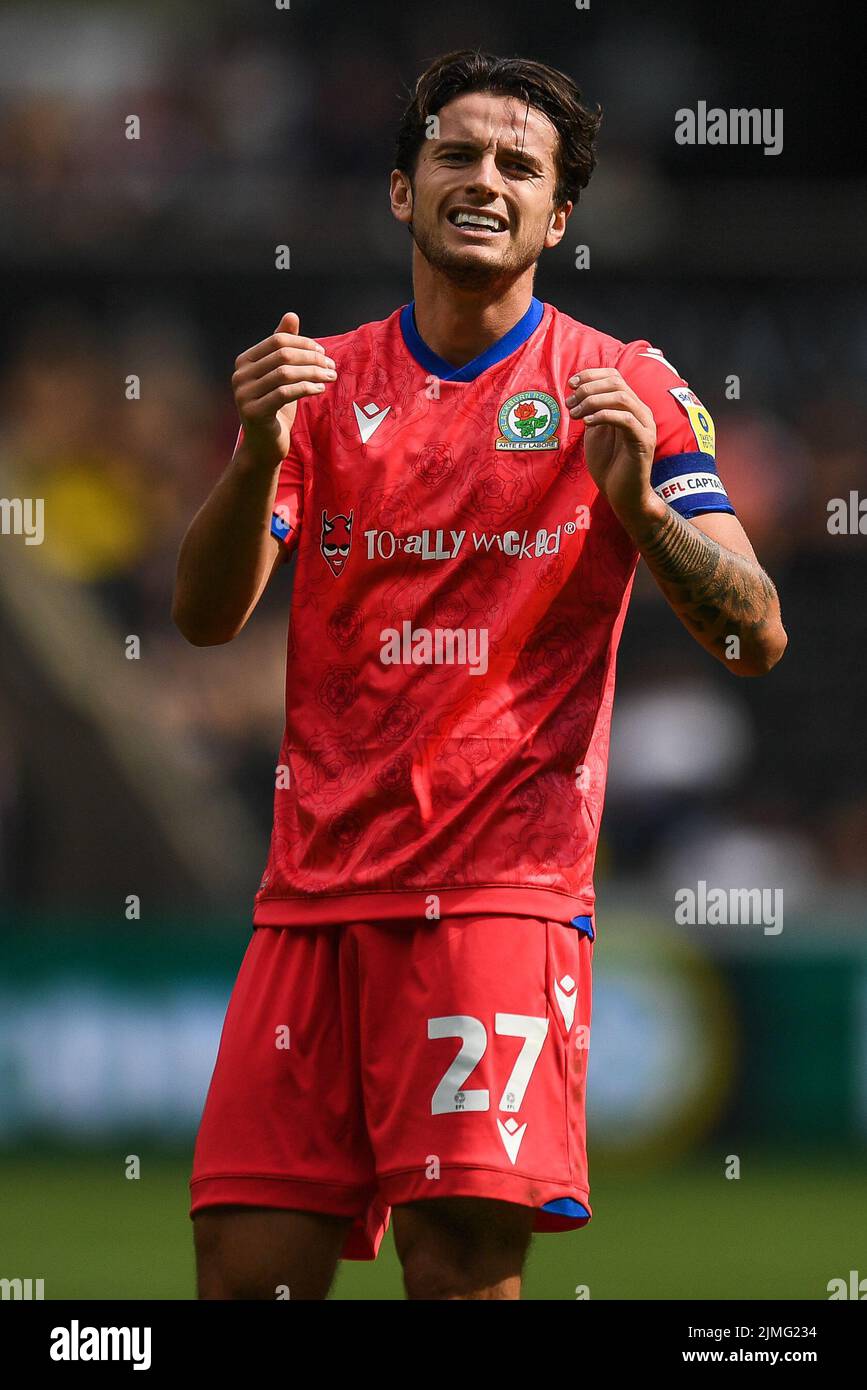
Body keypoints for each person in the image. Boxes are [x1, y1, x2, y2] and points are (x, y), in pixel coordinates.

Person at [173, 49, 787, 1301]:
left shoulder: (626, 389)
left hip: (495, 895)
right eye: (456, 153)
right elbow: (203, 616)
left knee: (457, 1270)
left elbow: (756, 631)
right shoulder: (323, 384)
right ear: (404, 191)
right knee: (245, 1272)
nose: (485, 178)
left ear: (558, 218)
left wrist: (643, 514)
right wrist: (252, 461)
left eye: (521, 165)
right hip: (308, 897)